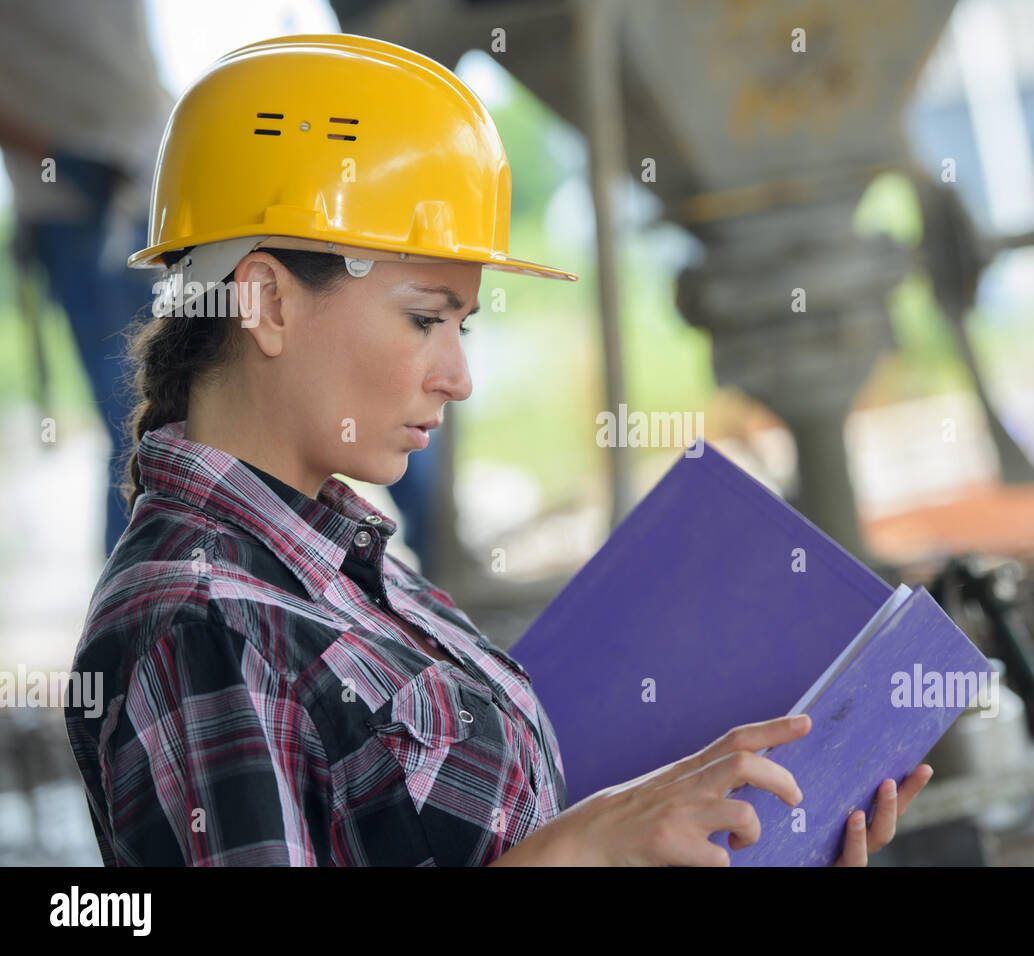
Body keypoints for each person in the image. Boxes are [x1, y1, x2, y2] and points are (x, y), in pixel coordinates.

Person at [63, 33, 930, 866]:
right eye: (425, 319)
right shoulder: (195, 623)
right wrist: (582, 848)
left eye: (463, 325)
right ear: (267, 302)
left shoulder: (346, 563)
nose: (459, 377)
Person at [0, 0, 172, 560]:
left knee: (184, 408)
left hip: (155, 172)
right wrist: (57, 155)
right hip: (72, 201)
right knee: (135, 419)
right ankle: (129, 620)